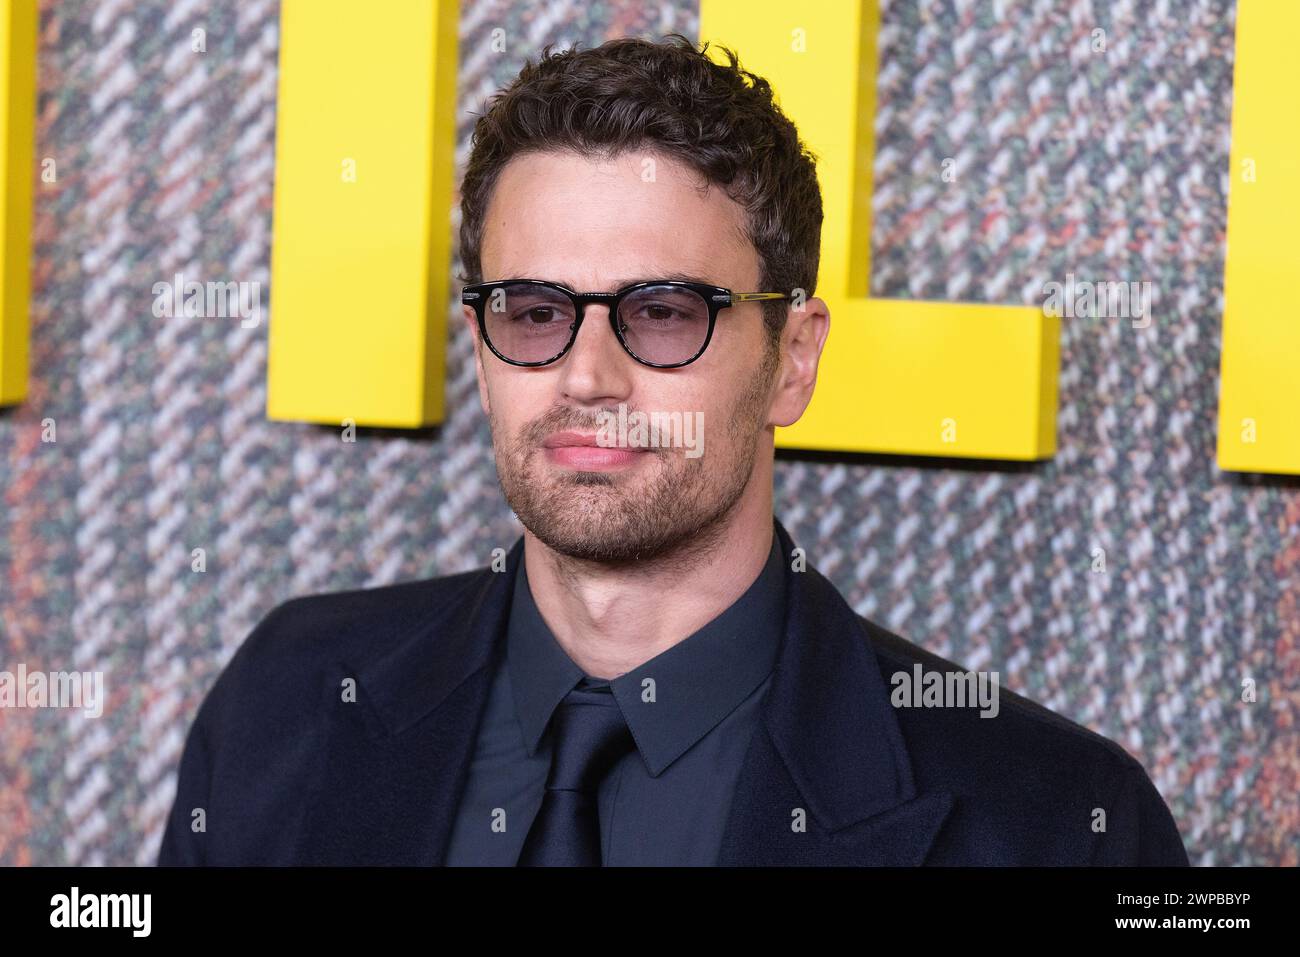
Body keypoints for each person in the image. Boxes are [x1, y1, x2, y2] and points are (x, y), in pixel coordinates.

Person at [157, 34, 1188, 866]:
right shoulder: (288, 698)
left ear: (792, 356)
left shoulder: (1057, 822)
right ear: (480, 341)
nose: (587, 376)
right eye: (533, 310)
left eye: (660, 313)